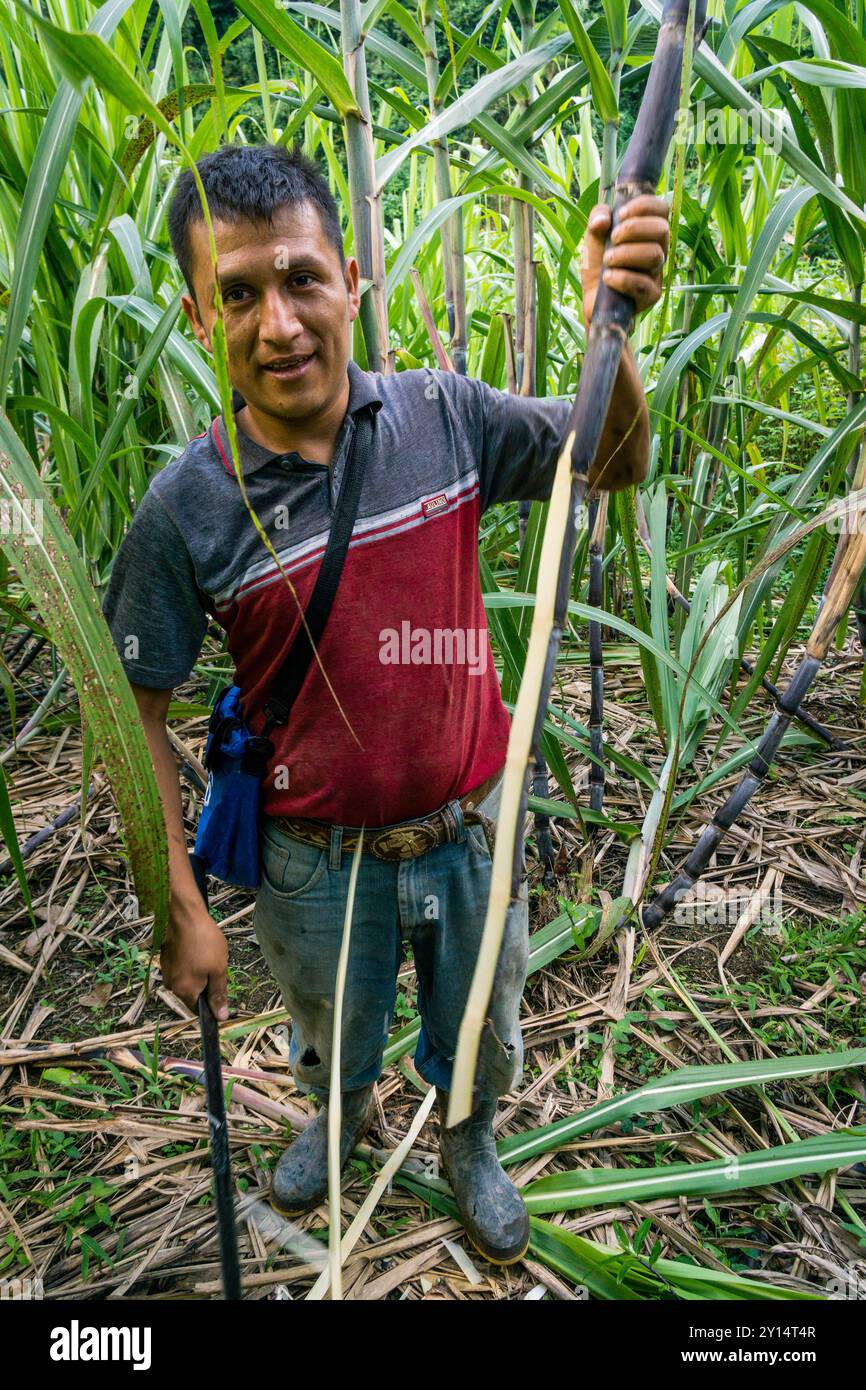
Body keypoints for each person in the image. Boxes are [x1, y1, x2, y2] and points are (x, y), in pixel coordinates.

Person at [103, 143, 670, 1265]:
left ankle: (467, 1144)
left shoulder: (443, 417)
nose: (278, 324)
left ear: (350, 279)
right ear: (196, 312)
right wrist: (178, 901)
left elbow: (608, 461)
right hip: (312, 863)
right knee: (328, 1031)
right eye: (239, 294)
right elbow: (136, 716)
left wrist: (616, 330)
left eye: (302, 279)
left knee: (482, 1030)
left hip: (472, 840)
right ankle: (339, 1113)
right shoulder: (186, 507)